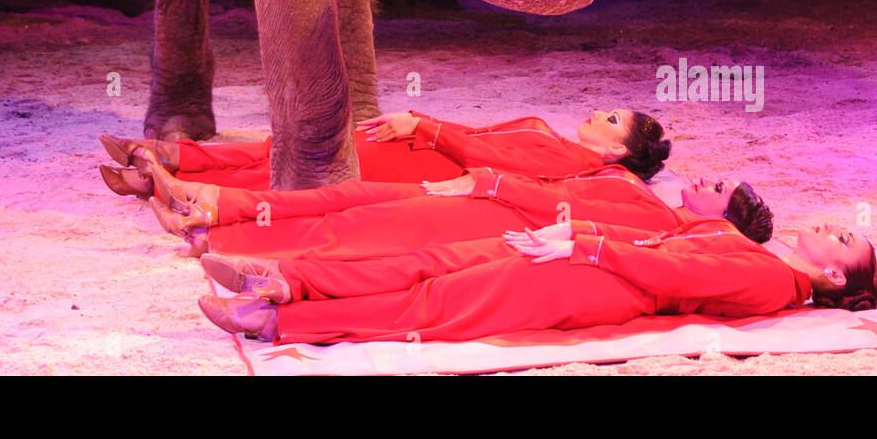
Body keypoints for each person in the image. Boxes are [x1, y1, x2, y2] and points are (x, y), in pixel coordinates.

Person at [197, 217, 877, 345]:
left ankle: (277, 320)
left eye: (844, 242)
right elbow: (663, 243)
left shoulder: (771, 285)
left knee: (440, 304)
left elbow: (672, 273)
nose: (831, 225)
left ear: (827, 274)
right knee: (437, 258)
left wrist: (581, 245)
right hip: (593, 258)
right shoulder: (756, 252)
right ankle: (287, 278)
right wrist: (569, 233)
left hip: (601, 285)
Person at [143, 161, 774, 259]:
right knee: (353, 198)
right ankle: (212, 206)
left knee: (359, 226)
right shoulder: (647, 197)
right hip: (489, 198)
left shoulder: (663, 223)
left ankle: (212, 236)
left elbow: (566, 208)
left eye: (718, 190)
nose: (705, 182)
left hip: (493, 217)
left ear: (721, 218)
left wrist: (491, 184)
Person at [98, 107, 671, 196]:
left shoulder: (580, 163)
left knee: (299, 171)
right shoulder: (547, 128)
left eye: (611, 120)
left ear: (619, 151)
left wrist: (422, 126)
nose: (597, 114)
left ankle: (161, 176)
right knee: (291, 147)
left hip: (429, 164)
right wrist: (415, 120)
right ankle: (174, 157)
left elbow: (495, 162)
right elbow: (479, 129)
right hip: (422, 143)